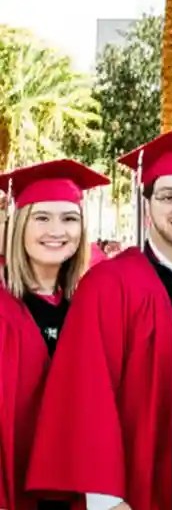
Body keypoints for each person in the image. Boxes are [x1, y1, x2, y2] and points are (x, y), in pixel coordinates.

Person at [26, 126, 172, 510]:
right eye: (168, 196)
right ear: (147, 203)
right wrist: (106, 499)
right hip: (135, 495)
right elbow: (85, 394)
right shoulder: (109, 285)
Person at [0, 160, 109, 510]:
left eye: (69, 218)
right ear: (19, 226)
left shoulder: (90, 305)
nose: (56, 230)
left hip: (77, 489)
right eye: (42, 217)